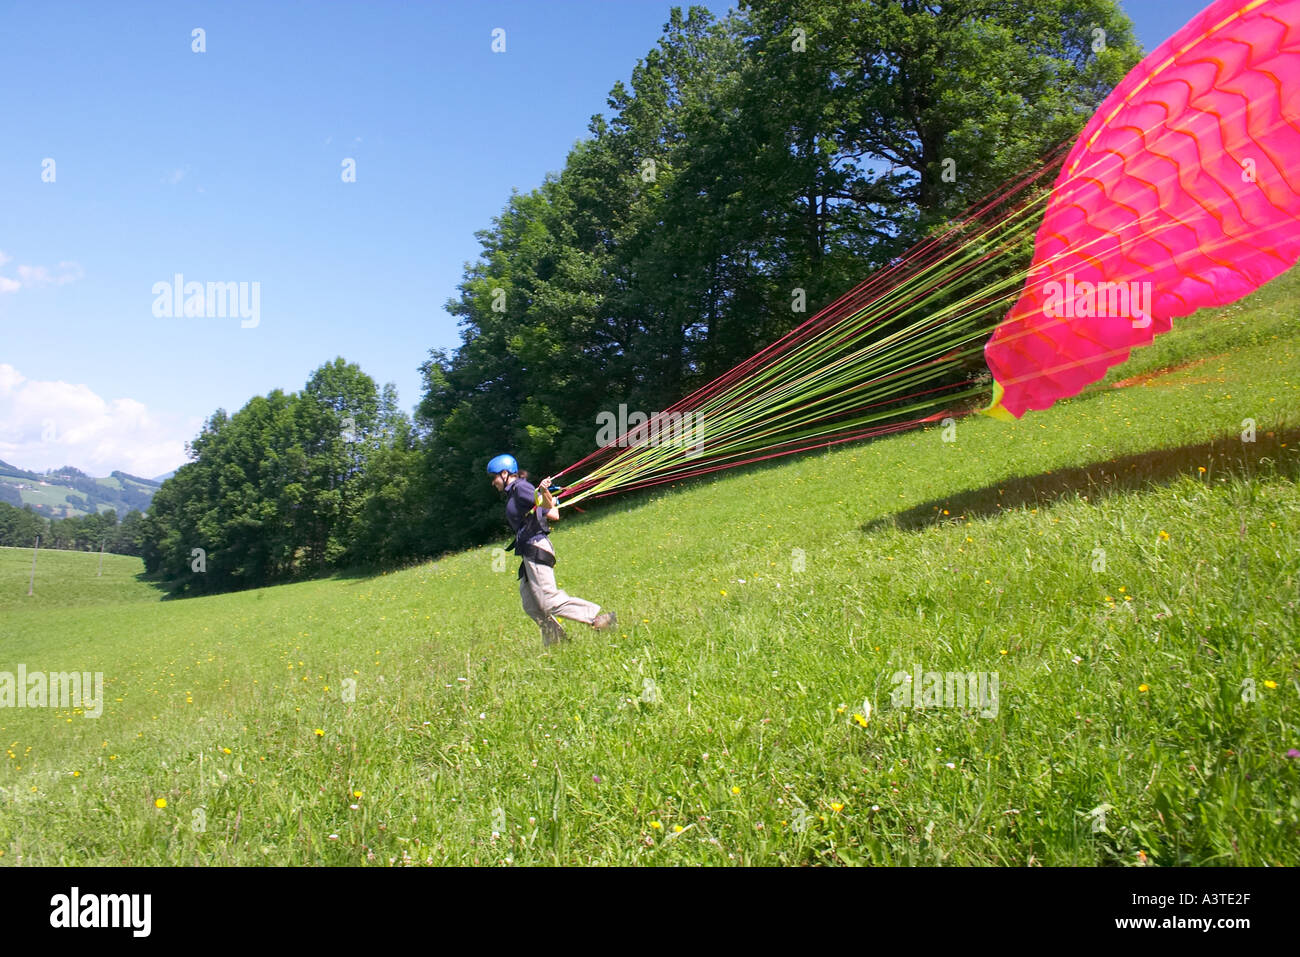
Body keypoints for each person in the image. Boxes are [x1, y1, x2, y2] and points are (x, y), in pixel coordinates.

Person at [487, 453, 616, 647]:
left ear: (505, 473)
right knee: (531, 604)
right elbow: (553, 511)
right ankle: (558, 643)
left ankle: (599, 619)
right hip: (528, 550)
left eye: (494, 477)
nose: (493, 482)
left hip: (536, 546)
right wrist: (546, 496)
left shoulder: (521, 488)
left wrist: (543, 493)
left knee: (549, 600)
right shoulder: (515, 492)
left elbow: (548, 509)